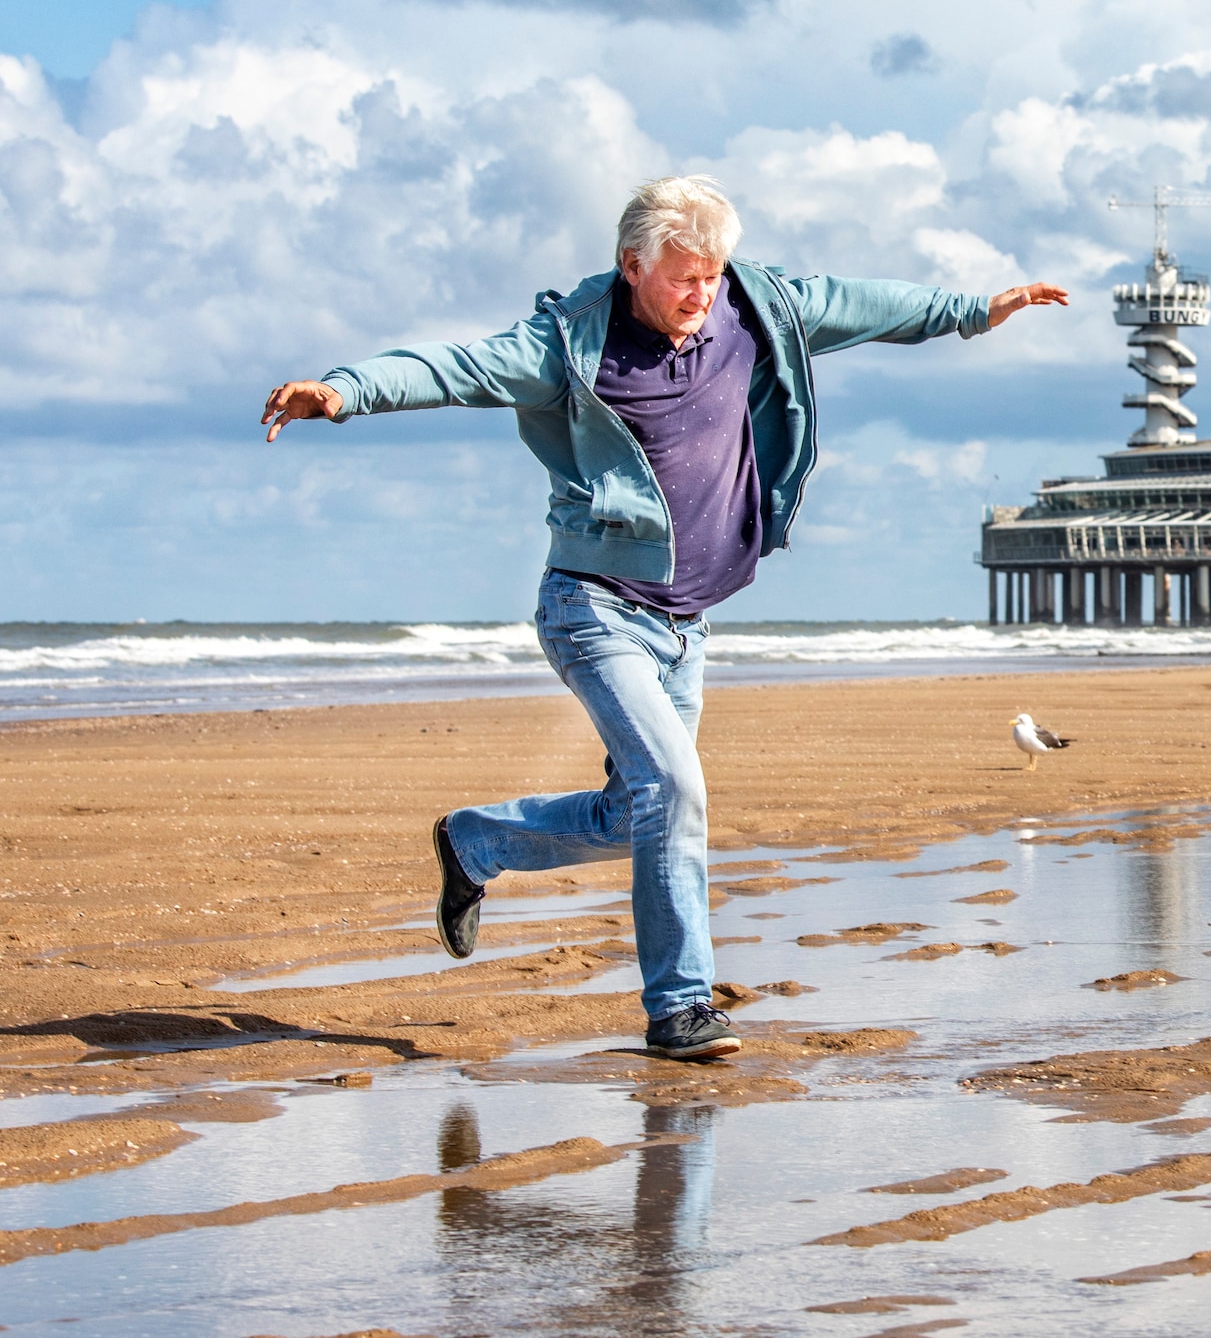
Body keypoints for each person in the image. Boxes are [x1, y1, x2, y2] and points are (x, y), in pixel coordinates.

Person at [262, 175, 1067, 1060]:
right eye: (684, 276)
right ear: (631, 265)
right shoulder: (567, 347)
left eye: (713, 274)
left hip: (685, 623)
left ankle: (474, 842)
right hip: (593, 609)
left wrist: (970, 311)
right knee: (675, 793)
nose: (702, 293)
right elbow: (454, 366)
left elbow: (859, 303)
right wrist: (343, 389)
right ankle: (679, 1007)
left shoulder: (753, 308)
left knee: (633, 811)